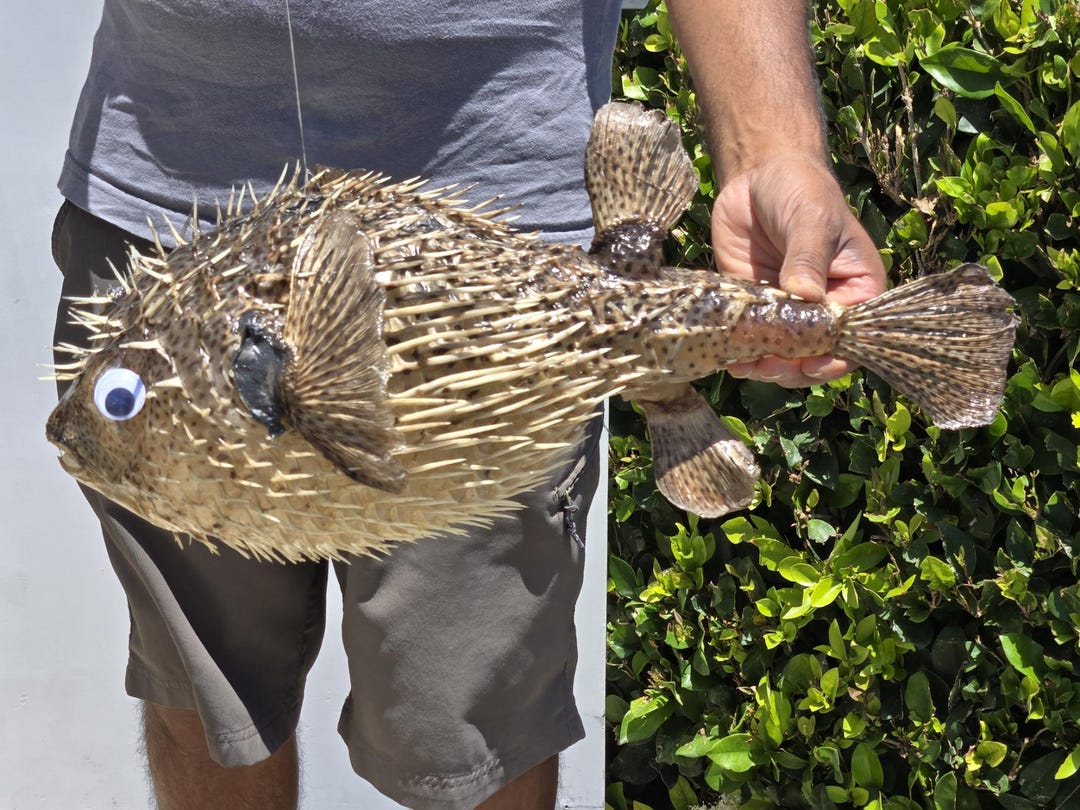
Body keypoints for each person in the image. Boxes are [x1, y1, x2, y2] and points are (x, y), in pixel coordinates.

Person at [51, 1, 886, 808]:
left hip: (496, 270)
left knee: (477, 743)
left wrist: (774, 147)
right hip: (166, 231)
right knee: (202, 695)